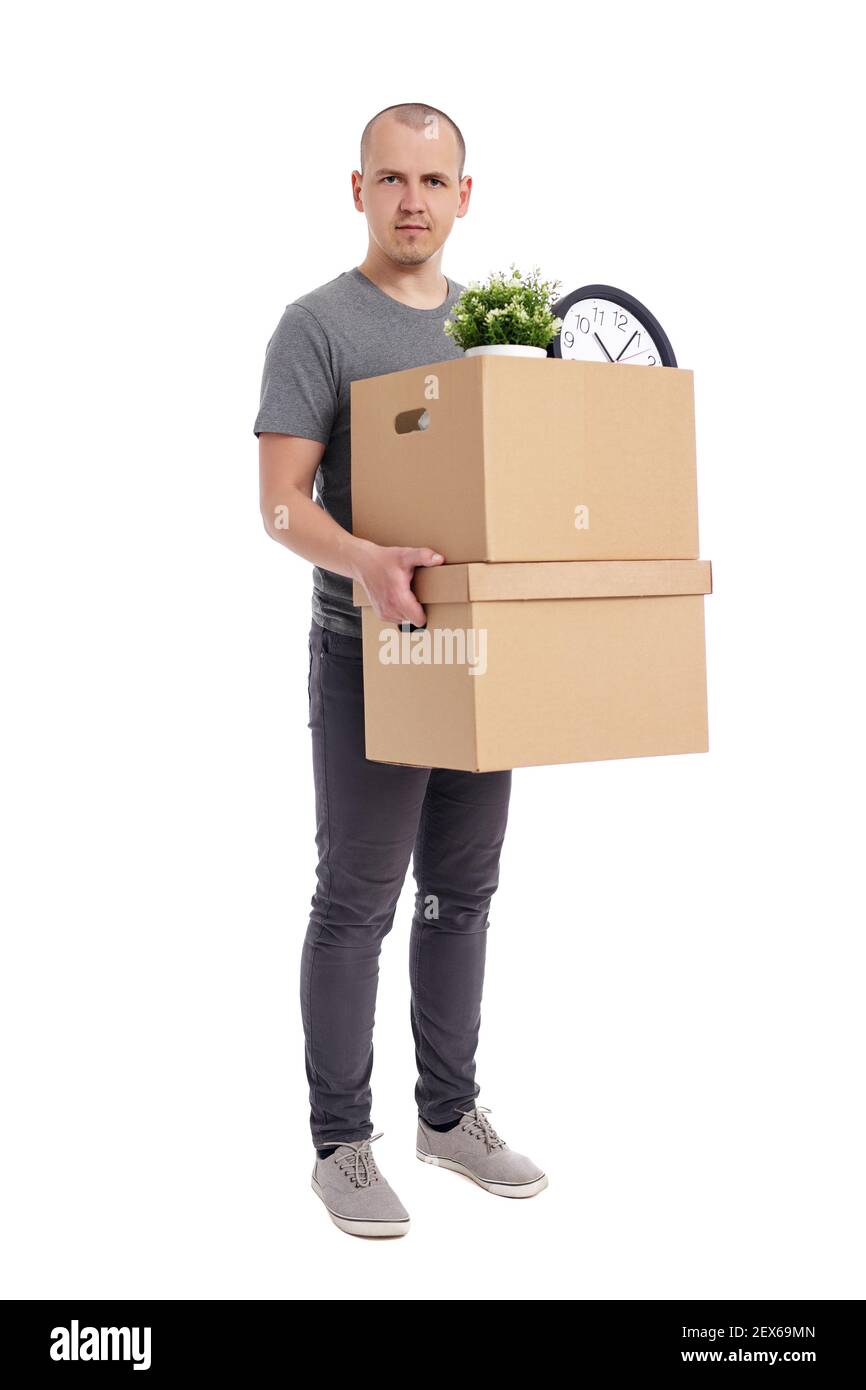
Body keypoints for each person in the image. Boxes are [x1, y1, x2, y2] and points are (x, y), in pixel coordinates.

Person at [254, 102, 547, 1239]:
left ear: (463, 196)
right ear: (359, 190)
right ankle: (341, 1143)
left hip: (481, 655)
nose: (411, 199)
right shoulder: (316, 325)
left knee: (462, 893)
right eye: (390, 178)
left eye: (432, 180)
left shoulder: (499, 330)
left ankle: (449, 1115)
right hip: (367, 653)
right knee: (357, 900)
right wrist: (364, 560)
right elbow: (279, 504)